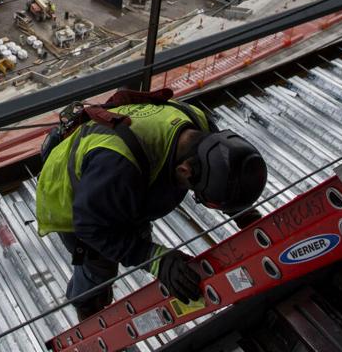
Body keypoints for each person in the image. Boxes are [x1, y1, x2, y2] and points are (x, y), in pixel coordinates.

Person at [36, 99, 267, 319]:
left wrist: (246, 215)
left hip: (111, 185)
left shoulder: (199, 123)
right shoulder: (118, 168)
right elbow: (90, 228)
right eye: (198, 195)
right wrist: (155, 258)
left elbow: (226, 171)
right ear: (185, 171)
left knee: (137, 236)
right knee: (100, 263)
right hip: (71, 201)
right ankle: (86, 303)